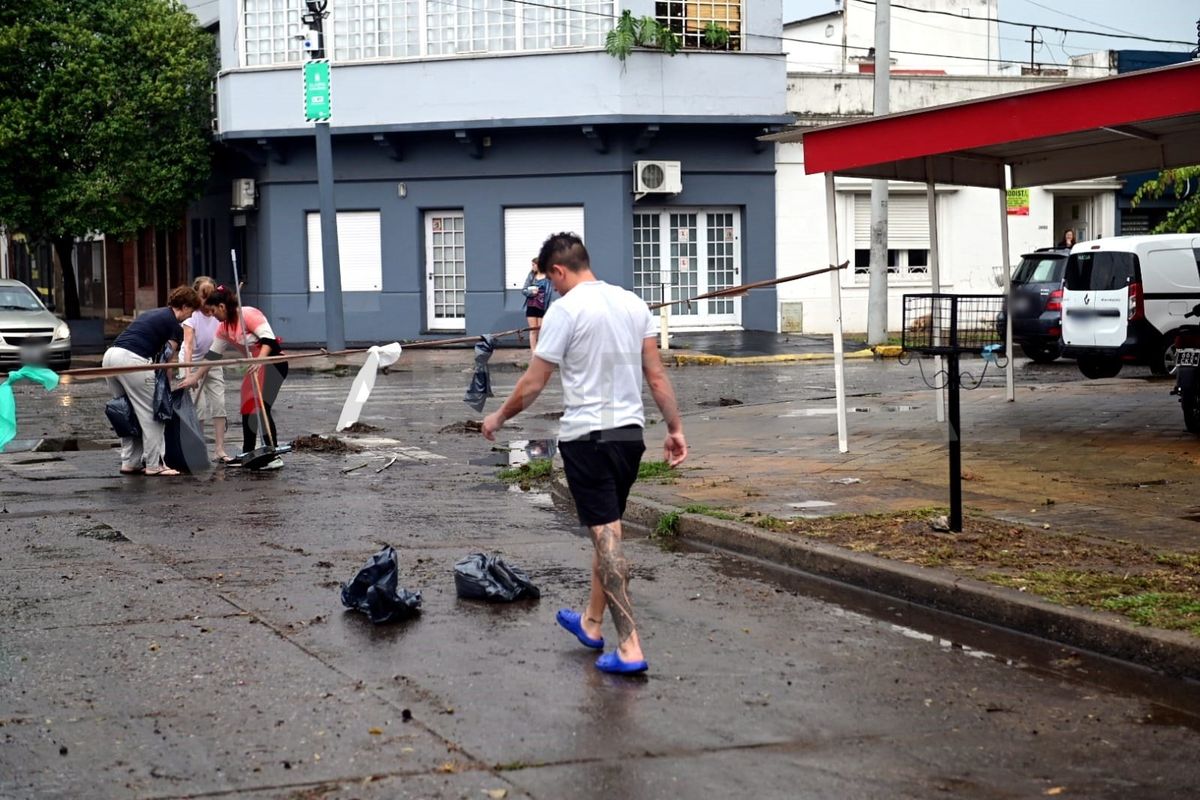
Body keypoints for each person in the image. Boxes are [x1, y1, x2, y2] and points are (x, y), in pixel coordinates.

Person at [482, 232, 688, 675]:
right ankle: (592, 625)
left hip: (588, 441)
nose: (552, 289)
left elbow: (534, 384)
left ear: (559, 270)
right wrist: (674, 428)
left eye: (551, 281)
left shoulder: (565, 311)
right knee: (607, 530)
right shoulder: (634, 304)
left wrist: (498, 417)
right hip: (628, 438)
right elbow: (655, 376)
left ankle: (630, 645)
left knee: (608, 539)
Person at [178, 285, 287, 470]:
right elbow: (212, 356)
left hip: (273, 364)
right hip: (254, 367)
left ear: (222, 306)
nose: (212, 315)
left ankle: (273, 455)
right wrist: (194, 376)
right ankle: (248, 452)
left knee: (260, 408)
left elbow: (269, 340)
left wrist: (260, 361)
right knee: (247, 407)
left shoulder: (249, 314)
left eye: (213, 311)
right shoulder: (223, 328)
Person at [102, 286, 200, 476]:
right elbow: (166, 359)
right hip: (133, 361)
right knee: (153, 415)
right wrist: (165, 391)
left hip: (111, 357)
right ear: (185, 306)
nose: (190, 316)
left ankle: (130, 462)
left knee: (127, 412)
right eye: (191, 311)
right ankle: (155, 464)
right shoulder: (173, 324)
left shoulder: (156, 314)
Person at [179, 276, 231, 464]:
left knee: (219, 402)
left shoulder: (218, 313)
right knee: (197, 407)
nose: (207, 302)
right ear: (196, 295)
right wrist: (188, 374)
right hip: (191, 361)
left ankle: (219, 449)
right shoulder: (192, 316)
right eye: (203, 296)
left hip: (213, 359)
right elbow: (189, 345)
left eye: (211, 296)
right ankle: (199, 449)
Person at [521, 256, 553, 353]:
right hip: (531, 305)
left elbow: (551, 293)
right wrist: (531, 293)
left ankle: (541, 351)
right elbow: (524, 290)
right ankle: (534, 352)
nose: (532, 267)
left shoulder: (548, 277)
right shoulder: (531, 276)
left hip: (542, 306)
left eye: (533, 265)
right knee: (533, 330)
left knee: (542, 330)